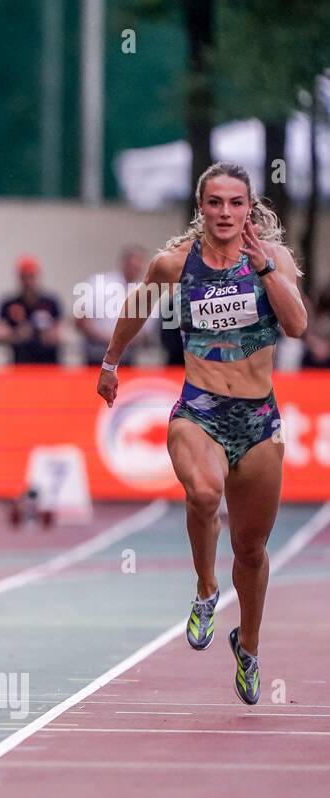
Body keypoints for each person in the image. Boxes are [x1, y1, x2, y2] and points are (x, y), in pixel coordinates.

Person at [97, 162, 307, 705]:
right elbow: (136, 309)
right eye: (215, 203)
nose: (225, 213)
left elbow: (298, 325)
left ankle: (250, 647)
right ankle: (206, 589)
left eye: (235, 204)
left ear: (248, 208)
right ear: (201, 206)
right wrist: (111, 361)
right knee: (204, 493)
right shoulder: (175, 264)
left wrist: (264, 269)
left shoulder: (273, 259)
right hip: (200, 410)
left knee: (253, 550)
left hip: (259, 420)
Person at [0, 255, 62, 364]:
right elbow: (0, 335)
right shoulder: (9, 304)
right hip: (20, 363)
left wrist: (46, 335)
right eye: (24, 277)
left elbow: (59, 334)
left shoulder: (50, 302)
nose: (28, 282)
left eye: (31, 276)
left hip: (49, 364)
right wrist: (17, 335)